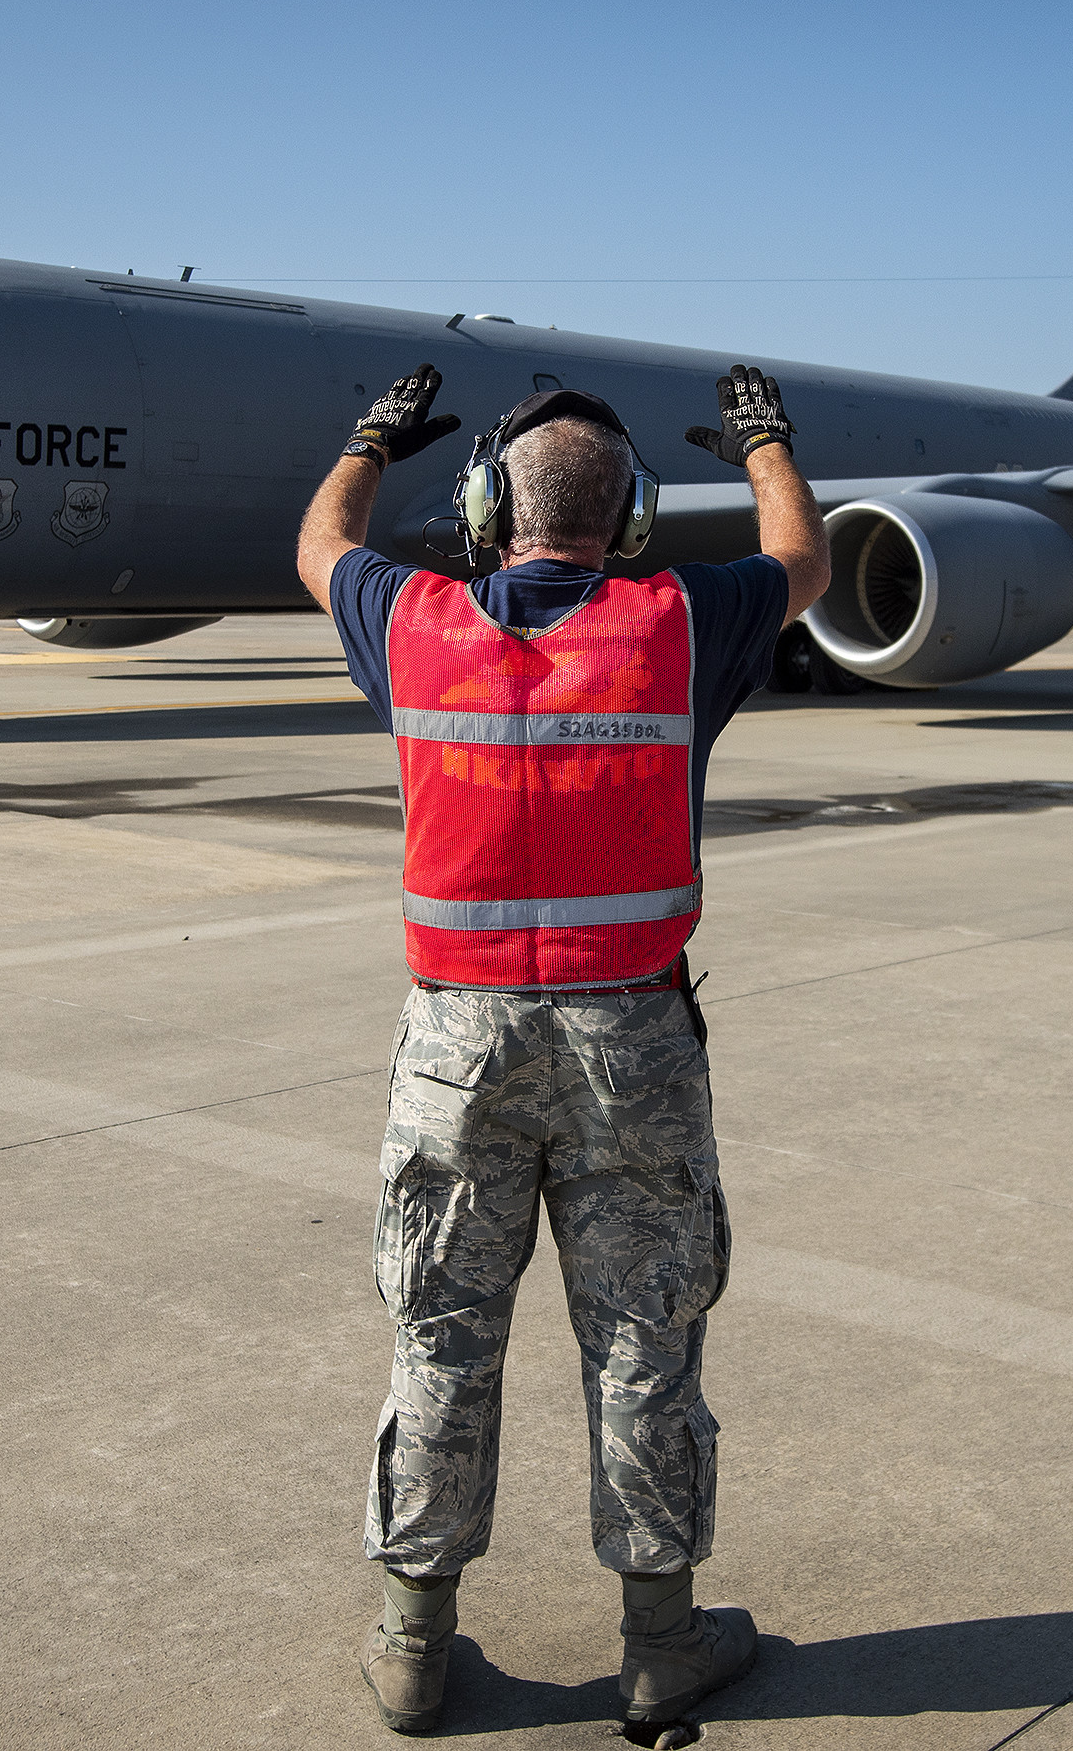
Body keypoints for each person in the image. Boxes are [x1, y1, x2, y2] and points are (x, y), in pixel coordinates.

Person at [296, 363, 830, 1734]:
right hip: (632, 1040)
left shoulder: (412, 622)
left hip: (456, 1042)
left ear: (482, 508)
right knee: (645, 1337)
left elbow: (318, 545)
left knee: (441, 1332)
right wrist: (768, 446)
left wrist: (367, 443)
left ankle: (415, 1642)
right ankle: (661, 1642)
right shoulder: (676, 623)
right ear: (634, 519)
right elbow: (801, 558)